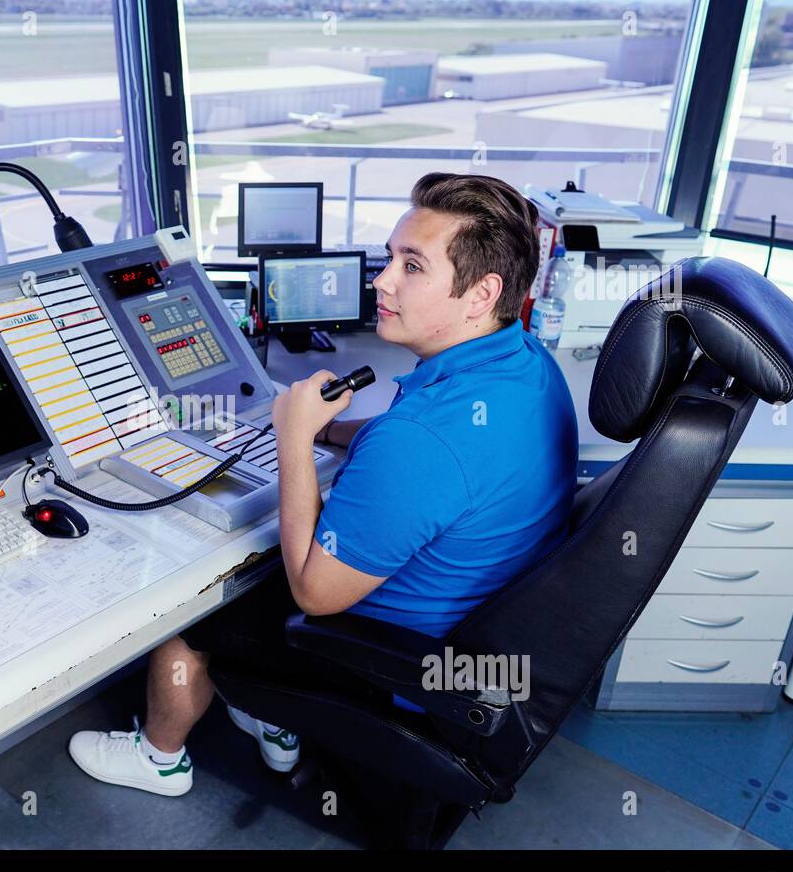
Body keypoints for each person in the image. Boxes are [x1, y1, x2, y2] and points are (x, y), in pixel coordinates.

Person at [68, 172, 579, 796]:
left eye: (412, 267)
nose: (382, 280)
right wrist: (325, 431)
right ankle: (273, 724)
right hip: (467, 630)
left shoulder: (420, 442)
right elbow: (425, 451)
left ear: (479, 294)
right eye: (390, 257)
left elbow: (314, 592)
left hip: (387, 660)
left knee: (192, 614)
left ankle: (161, 758)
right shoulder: (526, 365)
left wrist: (291, 437)